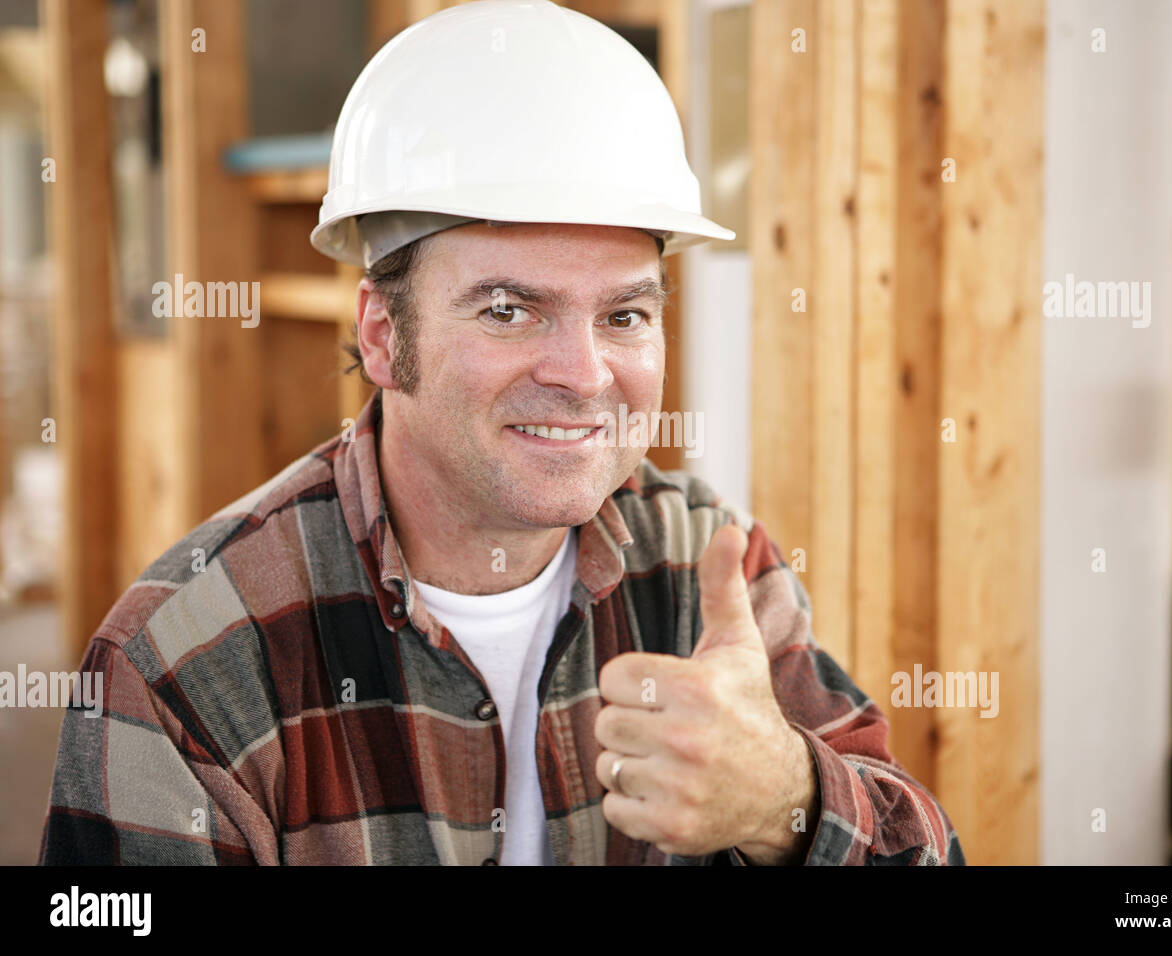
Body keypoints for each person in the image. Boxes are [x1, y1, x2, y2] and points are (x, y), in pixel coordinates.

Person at [40, 0, 963, 866]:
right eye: (510, 310)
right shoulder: (187, 658)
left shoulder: (702, 568)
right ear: (381, 336)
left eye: (626, 317)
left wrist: (786, 801)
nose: (584, 373)